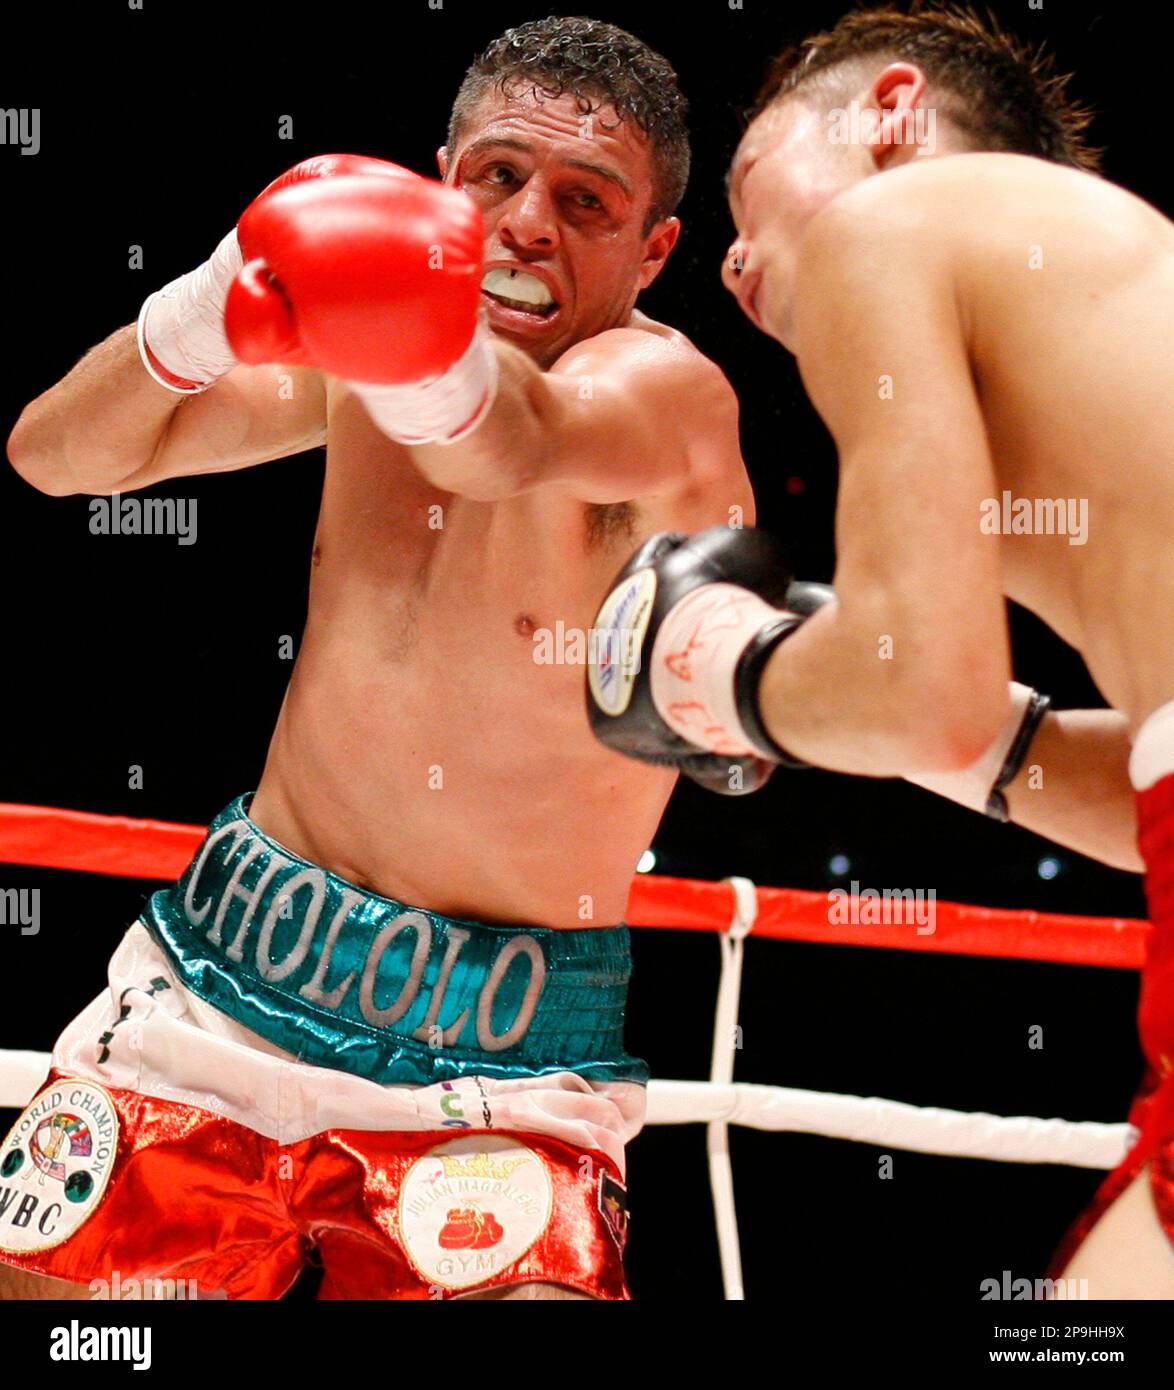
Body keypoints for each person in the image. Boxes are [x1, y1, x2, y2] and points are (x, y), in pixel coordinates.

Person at [0, 16, 753, 1301]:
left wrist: (365, 312)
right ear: (443, 181)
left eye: (584, 201)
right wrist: (206, 305)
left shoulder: (662, 395)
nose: (527, 223)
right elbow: (56, 457)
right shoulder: (365, 366)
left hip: (496, 1073)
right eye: (498, 178)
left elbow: (506, 444)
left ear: (655, 248)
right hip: (212, 989)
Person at [586, 5, 1174, 1296]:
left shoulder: (887, 227)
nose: (734, 267)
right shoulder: (1084, 313)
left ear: (890, 114)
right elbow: (1121, 783)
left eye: (746, 194)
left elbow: (921, 686)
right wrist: (927, 718)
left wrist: (721, 670)